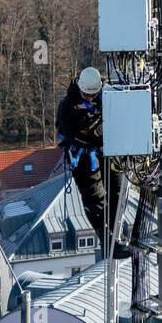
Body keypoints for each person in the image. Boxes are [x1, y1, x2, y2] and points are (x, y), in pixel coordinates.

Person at [56, 66, 128, 257]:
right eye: (87, 95)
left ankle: (116, 233)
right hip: (83, 157)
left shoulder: (106, 96)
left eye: (93, 95)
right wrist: (102, 131)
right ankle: (107, 240)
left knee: (117, 191)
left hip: (106, 152)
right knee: (95, 200)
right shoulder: (68, 106)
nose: (90, 98)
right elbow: (77, 136)